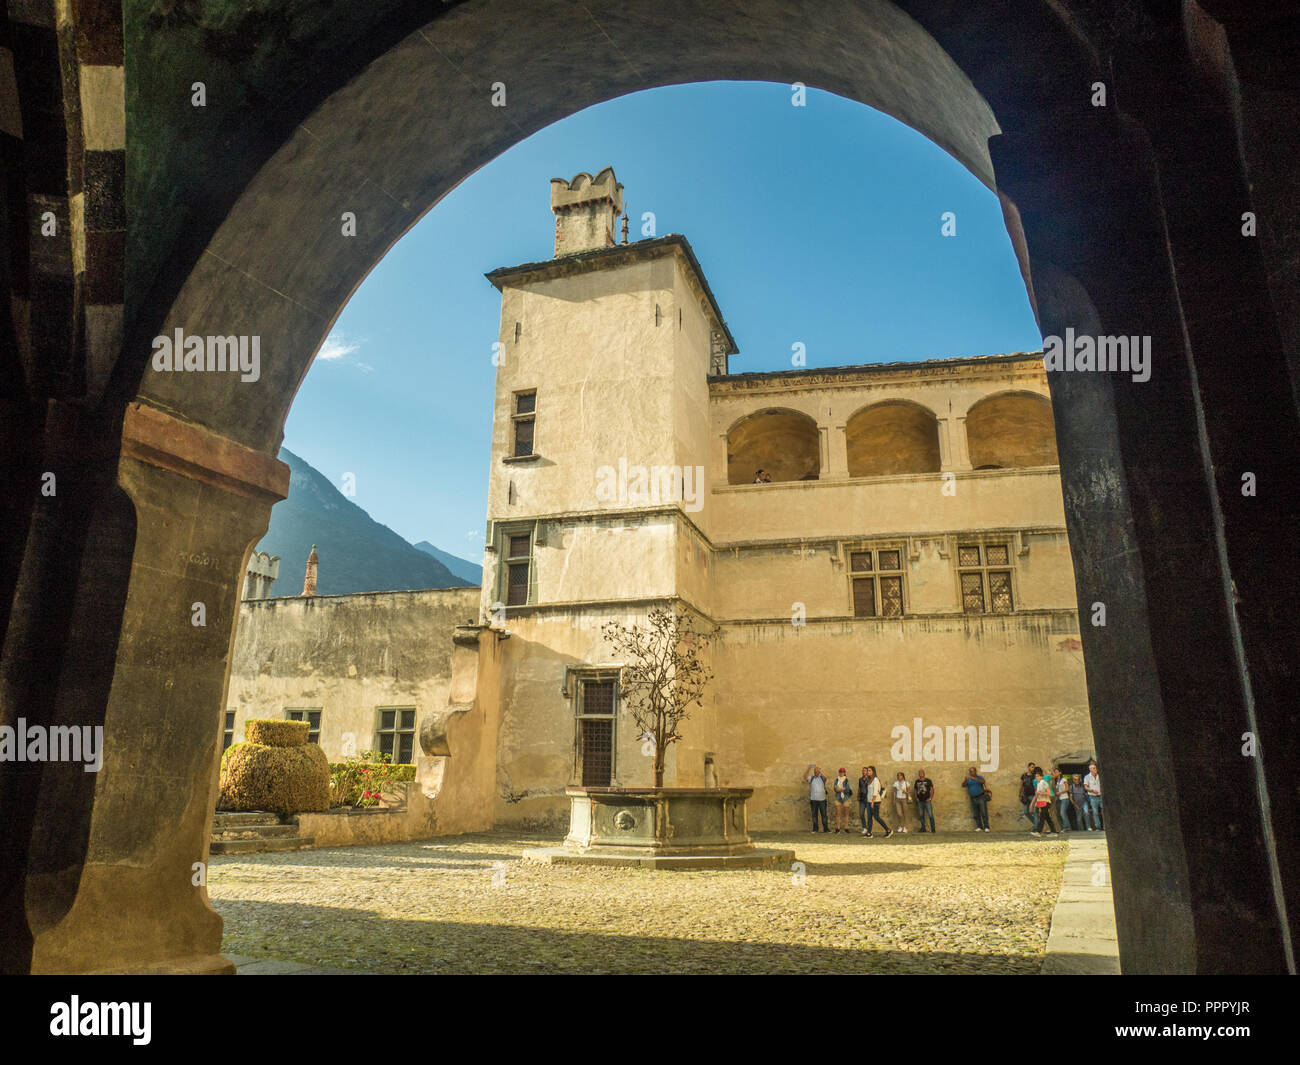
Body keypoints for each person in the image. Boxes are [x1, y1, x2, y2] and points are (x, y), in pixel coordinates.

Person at [861, 765, 893, 838]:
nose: (868, 772)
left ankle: (888, 830)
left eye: (869, 771)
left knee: (876, 817)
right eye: (868, 770)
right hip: (869, 801)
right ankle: (869, 833)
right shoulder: (869, 780)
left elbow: (875, 792)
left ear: (873, 772)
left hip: (875, 802)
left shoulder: (875, 780)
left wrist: (872, 802)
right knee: (869, 817)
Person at [1030, 767, 1057, 835]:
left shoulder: (1044, 782)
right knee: (1047, 817)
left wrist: (1040, 793)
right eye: (1036, 776)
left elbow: (1049, 793)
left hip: (1046, 801)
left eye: (1038, 776)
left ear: (1041, 776)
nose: (1036, 777)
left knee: (1042, 817)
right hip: (1041, 801)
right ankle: (1053, 831)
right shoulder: (1038, 784)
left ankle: (1038, 831)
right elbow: (1037, 794)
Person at [963, 767, 990, 831]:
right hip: (973, 798)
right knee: (976, 813)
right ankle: (979, 827)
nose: (971, 773)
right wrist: (965, 781)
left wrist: (975, 779)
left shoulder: (979, 777)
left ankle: (986, 827)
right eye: (970, 771)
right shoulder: (969, 779)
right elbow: (963, 785)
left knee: (983, 812)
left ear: (975, 771)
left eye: (972, 771)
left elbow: (983, 781)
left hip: (980, 797)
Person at [805, 764, 829, 832]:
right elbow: (805, 777)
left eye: (817, 771)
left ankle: (826, 829)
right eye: (815, 771)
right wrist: (808, 768)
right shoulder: (811, 778)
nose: (816, 772)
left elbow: (826, 777)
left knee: (824, 815)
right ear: (813, 772)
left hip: (822, 800)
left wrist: (820, 770)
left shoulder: (822, 778)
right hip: (813, 800)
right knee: (814, 815)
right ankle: (815, 829)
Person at [832, 767, 854, 833]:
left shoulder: (846, 780)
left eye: (842, 772)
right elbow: (835, 789)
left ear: (844, 773)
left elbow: (847, 789)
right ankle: (838, 827)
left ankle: (846, 827)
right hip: (838, 797)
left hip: (846, 798)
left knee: (846, 813)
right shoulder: (836, 780)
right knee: (838, 813)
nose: (841, 773)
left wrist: (840, 789)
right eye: (840, 772)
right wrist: (842, 789)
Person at [1083, 762, 1103, 830]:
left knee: (1104, 811)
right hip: (1093, 796)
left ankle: (1106, 826)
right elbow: (1085, 787)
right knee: (1095, 812)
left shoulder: (1100, 775)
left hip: (1101, 796)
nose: (1092, 769)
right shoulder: (1087, 777)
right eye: (1091, 768)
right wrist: (1092, 790)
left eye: (1094, 768)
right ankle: (1098, 826)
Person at [1018, 762, 1038, 827]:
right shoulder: (1024, 776)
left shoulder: (1034, 776)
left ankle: (1036, 826)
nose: (1033, 768)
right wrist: (1020, 795)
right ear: (1028, 767)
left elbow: (1036, 786)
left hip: (1033, 795)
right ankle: (1036, 824)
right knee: (1026, 812)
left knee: (1035, 812)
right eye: (1032, 767)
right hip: (1025, 796)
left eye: (1034, 767)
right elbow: (1021, 786)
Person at [1054, 767, 1072, 833]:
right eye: (1055, 772)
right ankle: (1065, 827)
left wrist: (1060, 792)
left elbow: (1067, 788)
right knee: (1059, 813)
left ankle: (1066, 827)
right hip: (1059, 799)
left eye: (1056, 772)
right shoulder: (1056, 781)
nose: (1055, 773)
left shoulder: (1063, 779)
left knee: (1062, 812)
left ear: (1060, 772)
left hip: (1064, 798)